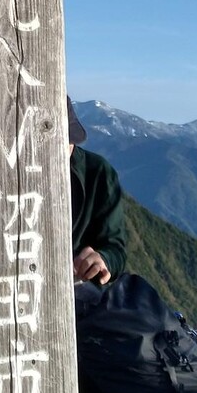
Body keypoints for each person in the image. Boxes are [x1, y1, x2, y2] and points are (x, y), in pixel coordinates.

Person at [68, 97, 126, 285]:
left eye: (68, 140)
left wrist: (103, 259)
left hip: (77, 289)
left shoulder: (98, 173)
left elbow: (115, 249)